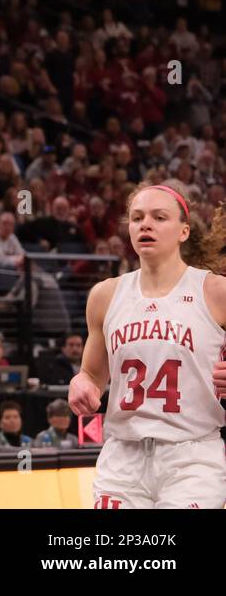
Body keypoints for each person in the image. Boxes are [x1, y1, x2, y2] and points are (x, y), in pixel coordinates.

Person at [71, 182, 226, 508]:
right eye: (137, 217)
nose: (146, 224)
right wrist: (82, 383)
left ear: (184, 231)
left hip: (192, 455)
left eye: (159, 217)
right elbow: (92, 373)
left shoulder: (214, 291)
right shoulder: (105, 295)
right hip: (122, 456)